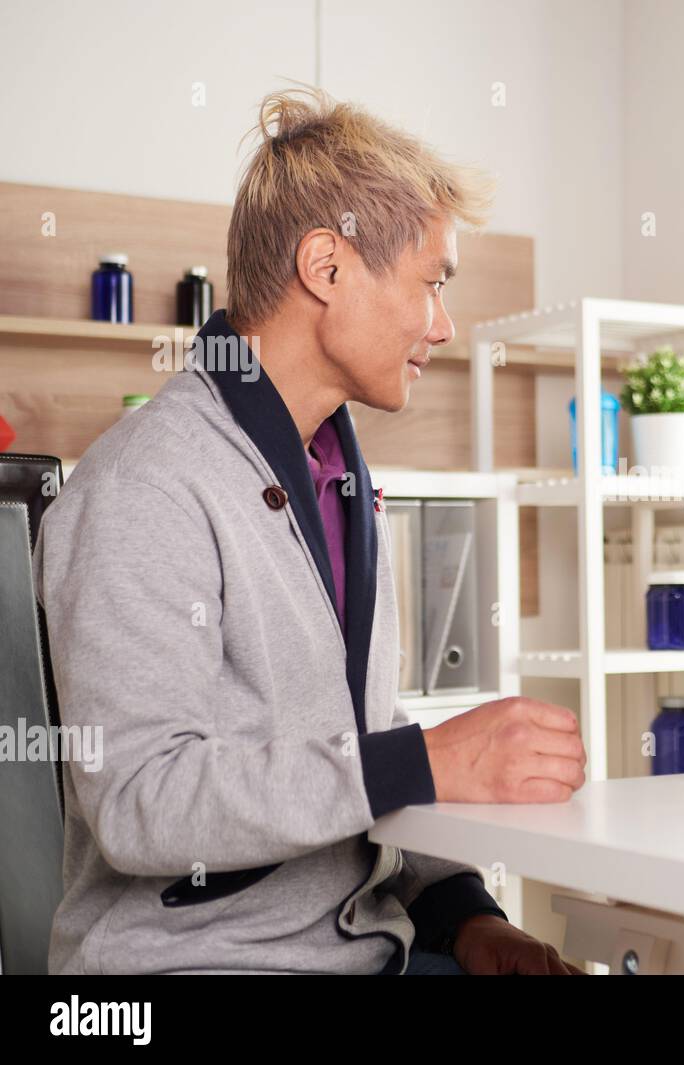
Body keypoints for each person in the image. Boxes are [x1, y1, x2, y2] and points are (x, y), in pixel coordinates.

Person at [34, 87, 585, 974]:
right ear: (327, 267)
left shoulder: (333, 472)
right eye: (432, 282)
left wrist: (463, 912)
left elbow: (353, 727)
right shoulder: (144, 484)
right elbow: (141, 798)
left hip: (365, 949)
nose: (442, 324)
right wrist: (421, 761)